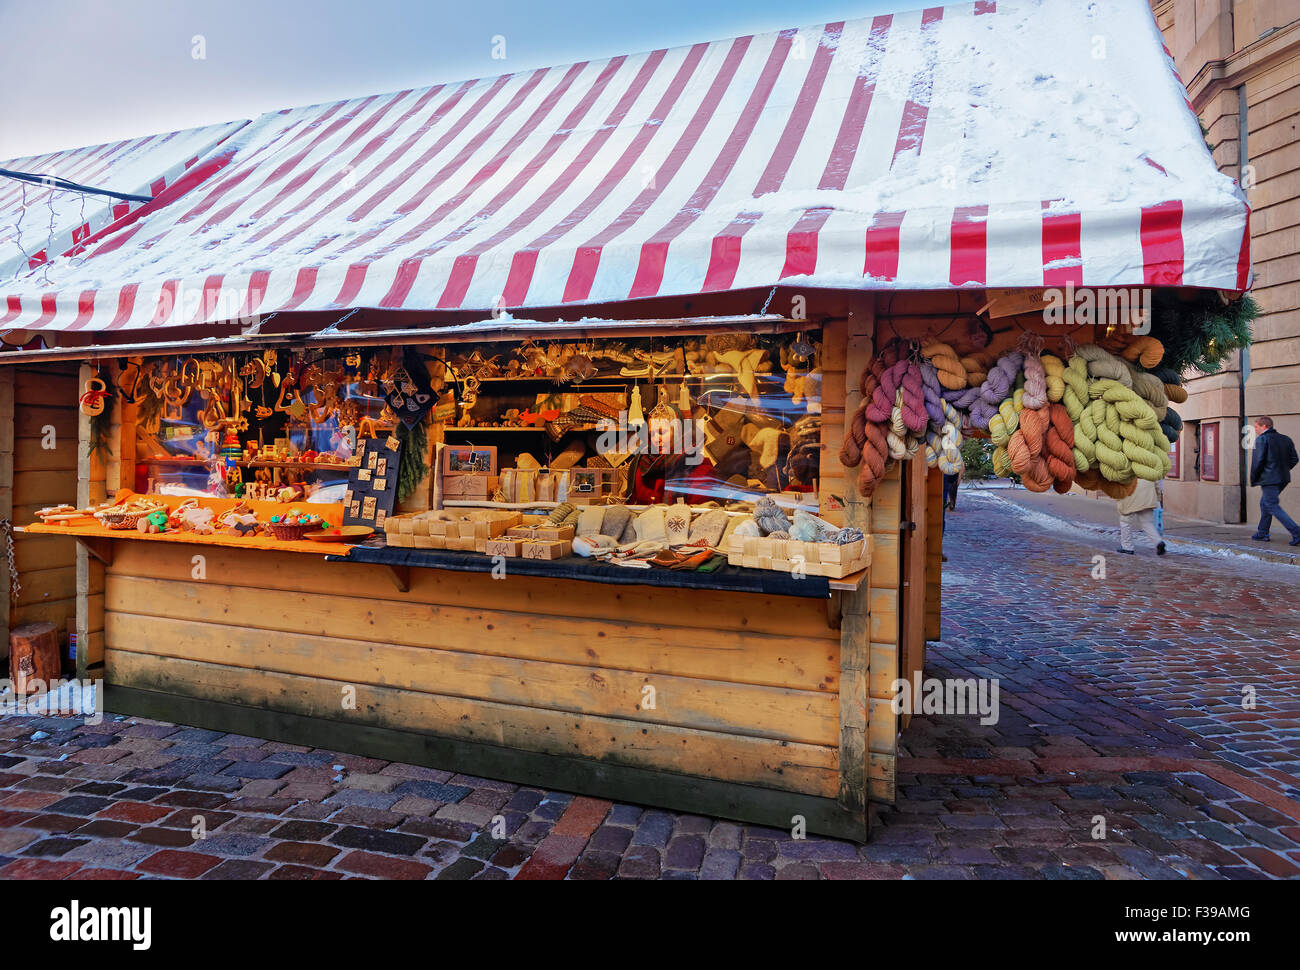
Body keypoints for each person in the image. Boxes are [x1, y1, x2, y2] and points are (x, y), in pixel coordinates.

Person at [1249, 416, 1300, 545]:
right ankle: (1262, 532)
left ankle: (1297, 532)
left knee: (1271, 505)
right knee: (1265, 503)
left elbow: (1258, 462)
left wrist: (1254, 478)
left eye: (1256, 427)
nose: (1255, 430)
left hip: (1269, 479)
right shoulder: (1286, 439)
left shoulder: (1262, 439)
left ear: (1264, 426)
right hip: (1282, 478)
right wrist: (1282, 470)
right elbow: (1294, 459)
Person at [1116, 477, 1166, 556]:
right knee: (1147, 523)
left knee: (1125, 521)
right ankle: (1158, 542)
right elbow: (1156, 482)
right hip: (1147, 495)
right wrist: (1158, 498)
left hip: (1131, 493)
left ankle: (1127, 547)